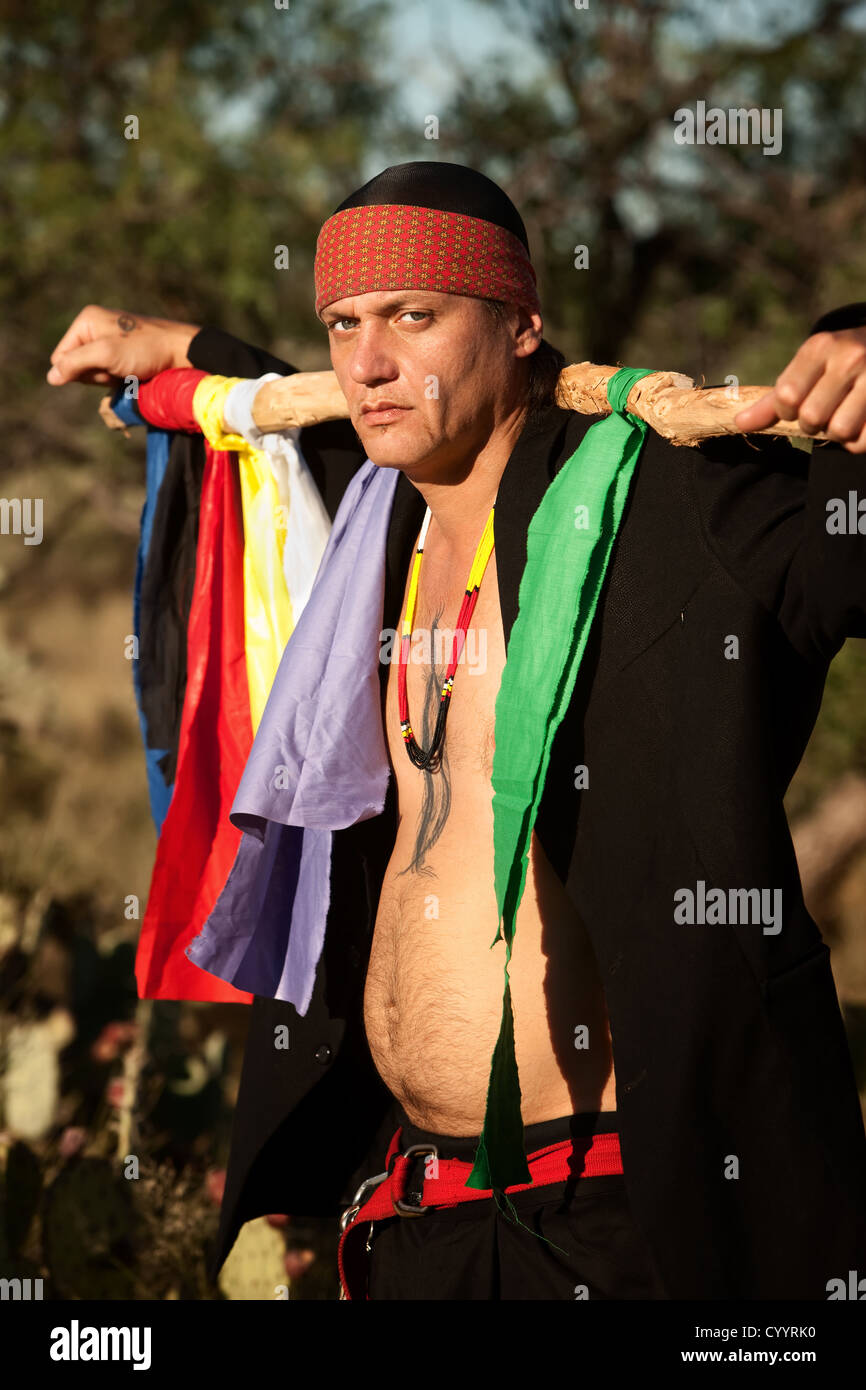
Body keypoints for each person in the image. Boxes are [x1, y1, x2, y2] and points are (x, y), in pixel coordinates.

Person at [49, 162, 866, 1300]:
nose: (368, 363)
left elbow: (842, 570)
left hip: (612, 1216)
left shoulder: (672, 501)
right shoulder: (369, 521)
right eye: (343, 323)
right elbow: (281, 412)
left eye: (414, 315)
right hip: (412, 1209)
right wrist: (178, 345)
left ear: (522, 324)